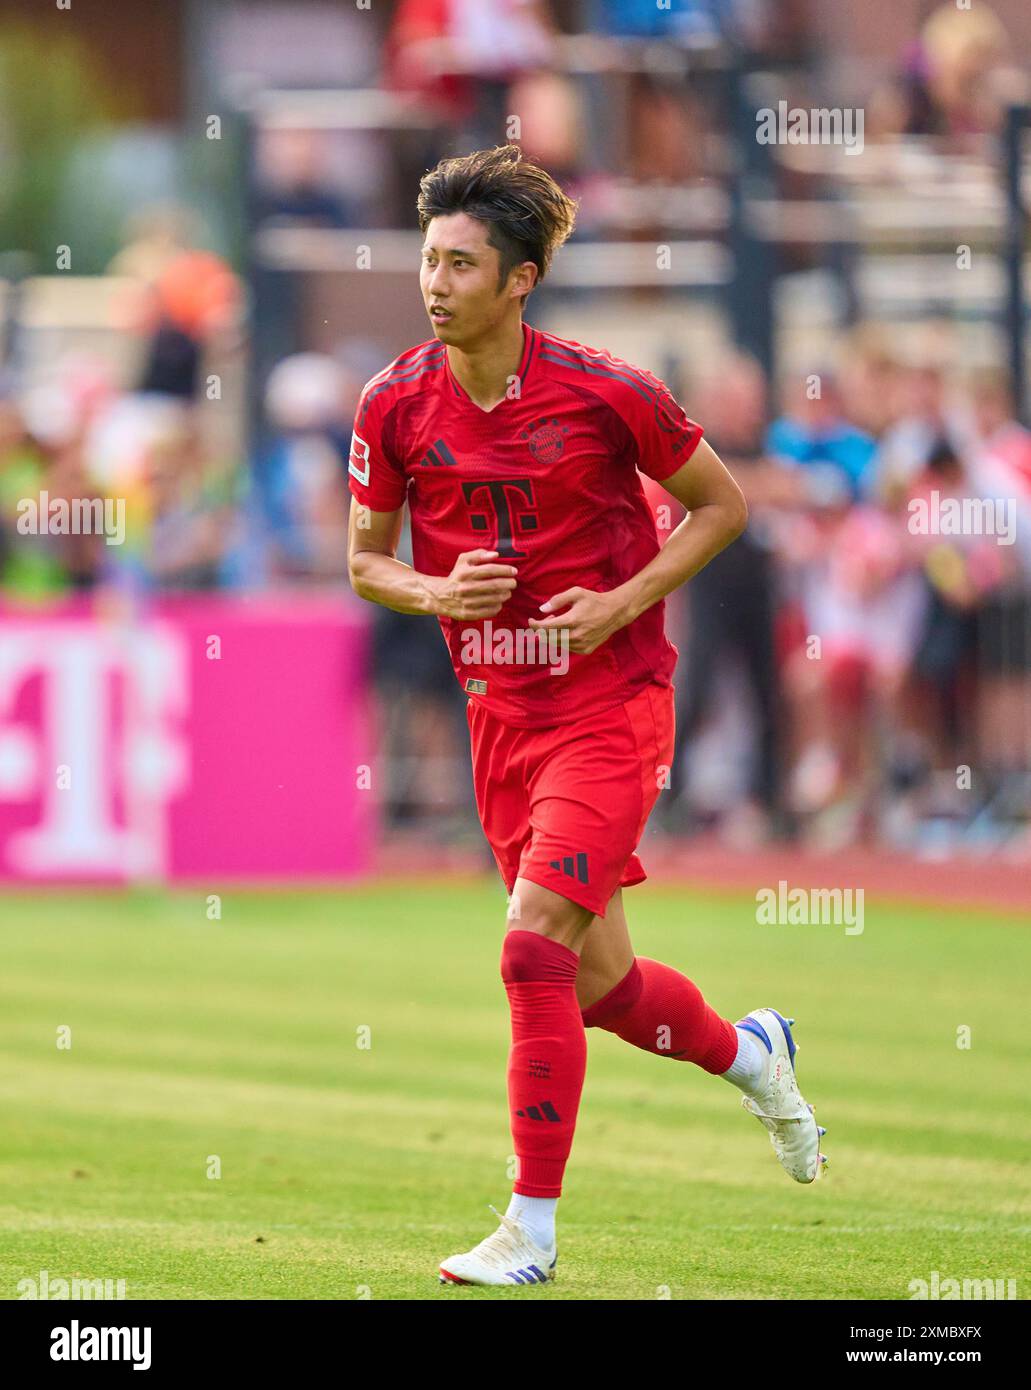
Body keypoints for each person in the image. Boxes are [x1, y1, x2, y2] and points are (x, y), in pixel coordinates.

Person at [346, 145, 827, 1288]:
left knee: (526, 952)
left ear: (519, 281)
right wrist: (432, 590)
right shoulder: (392, 402)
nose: (436, 281)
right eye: (429, 259)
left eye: (461, 264)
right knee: (601, 988)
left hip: (611, 711)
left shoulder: (606, 390)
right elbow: (364, 563)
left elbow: (720, 505)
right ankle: (751, 1053)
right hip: (496, 717)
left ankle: (530, 1229)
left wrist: (620, 601)